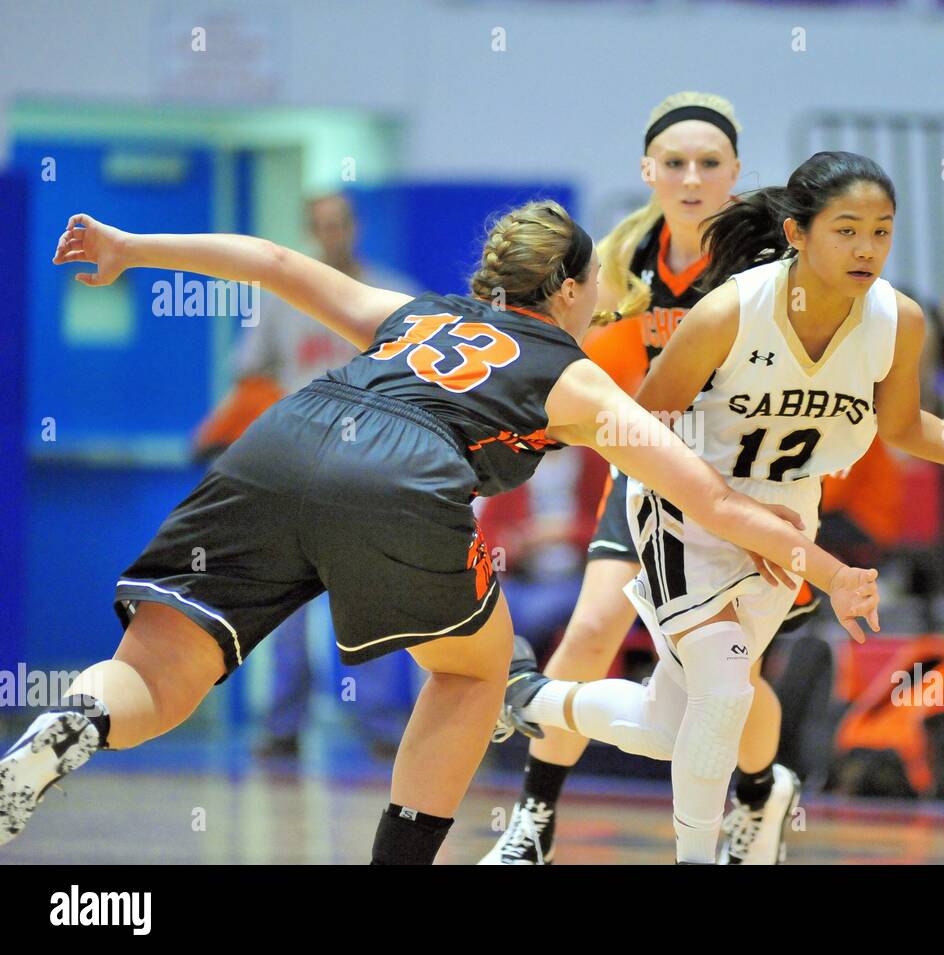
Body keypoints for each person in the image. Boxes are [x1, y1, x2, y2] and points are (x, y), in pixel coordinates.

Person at [0, 202, 880, 864]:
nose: (601, 302)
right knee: (473, 669)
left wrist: (129, 249)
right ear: (568, 290)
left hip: (281, 443)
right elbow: (715, 503)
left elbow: (270, 261)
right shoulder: (572, 380)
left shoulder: (414, 314)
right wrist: (834, 570)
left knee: (157, 680)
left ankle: (62, 734)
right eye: (597, 290)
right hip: (400, 472)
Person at [497, 151, 944, 865]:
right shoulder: (731, 311)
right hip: (683, 505)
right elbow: (643, 430)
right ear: (797, 233)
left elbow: (905, 427)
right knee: (730, 682)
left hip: (789, 516)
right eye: (847, 229)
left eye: (882, 232)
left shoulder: (899, 320)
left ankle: (526, 696)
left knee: (680, 725)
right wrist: (727, 512)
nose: (867, 249)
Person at [482, 92, 811, 866]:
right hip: (648, 469)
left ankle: (761, 793)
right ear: (647, 171)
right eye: (674, 163)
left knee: (731, 670)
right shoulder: (620, 258)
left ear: (735, 172)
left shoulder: (769, 264)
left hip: (745, 484)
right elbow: (569, 368)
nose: (691, 177)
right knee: (592, 625)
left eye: (709, 163)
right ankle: (534, 818)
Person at [194, 192, 419, 760]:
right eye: (320, 226)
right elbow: (249, 372)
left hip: (371, 465)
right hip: (299, 465)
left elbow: (421, 376)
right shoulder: (284, 297)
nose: (332, 235)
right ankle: (285, 723)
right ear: (310, 231)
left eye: (339, 224)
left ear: (355, 227)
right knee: (288, 600)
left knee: (374, 597)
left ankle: (382, 723)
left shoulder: (395, 294)